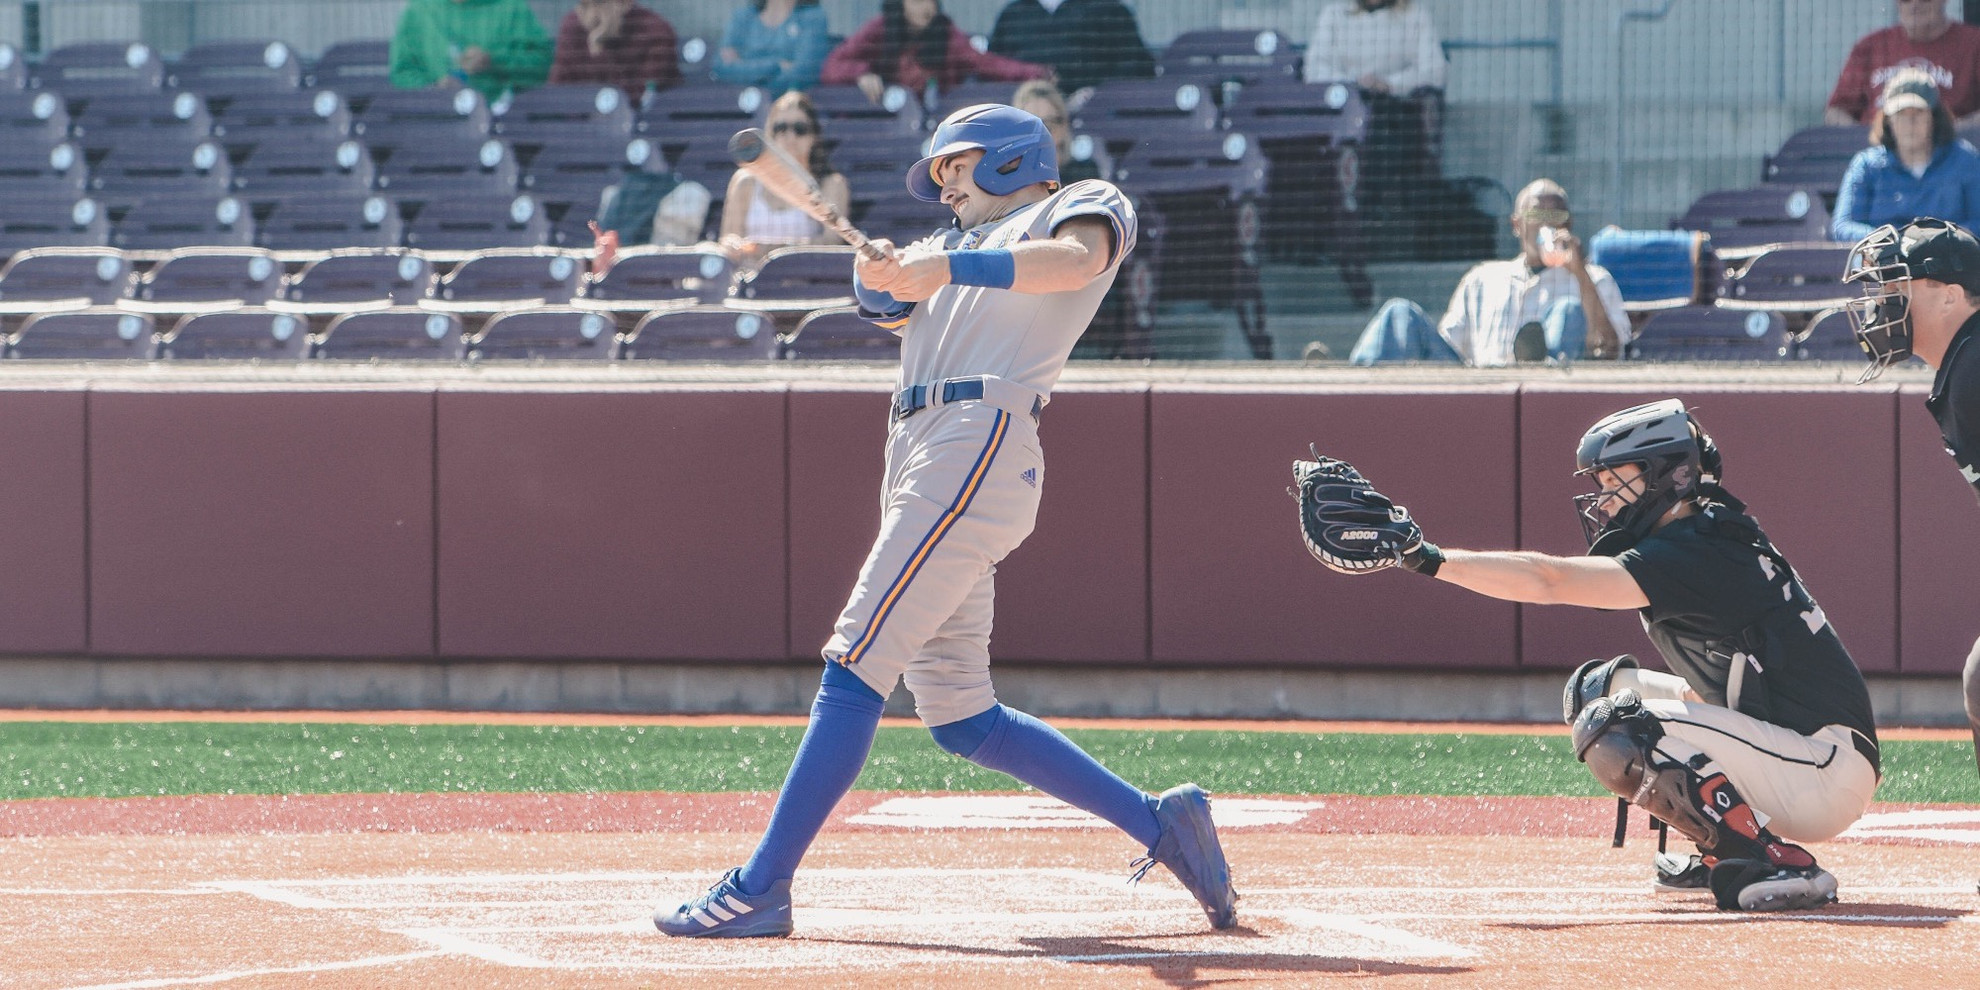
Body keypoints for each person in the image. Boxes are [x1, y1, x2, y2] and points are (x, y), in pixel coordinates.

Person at [655, 104, 1237, 938]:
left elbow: (1072, 264)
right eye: (939, 176)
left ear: (1008, 157)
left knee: (854, 662)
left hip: (980, 435)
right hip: (922, 448)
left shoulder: (1076, 204)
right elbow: (883, 305)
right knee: (962, 715)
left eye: (956, 167)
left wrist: (948, 265)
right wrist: (885, 272)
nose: (945, 186)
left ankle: (761, 885)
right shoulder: (944, 250)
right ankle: (1162, 823)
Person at [1291, 399, 1880, 912]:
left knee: (1615, 724)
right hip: (1801, 750)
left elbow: (1550, 581)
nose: (1603, 496)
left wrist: (1428, 557)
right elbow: (1721, 685)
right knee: (1598, 690)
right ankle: (1728, 841)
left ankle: (1774, 858)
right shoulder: (1706, 533)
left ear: (1667, 476)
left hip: (1822, 767)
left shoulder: (1699, 548)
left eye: (1614, 479)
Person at [1840, 216, 1980, 788]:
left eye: (1899, 287)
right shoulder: (1964, 364)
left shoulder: (1974, 366)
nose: (1883, 302)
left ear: (1949, 296)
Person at [1348, 179, 1628, 365]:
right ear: (1516, 225)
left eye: (1555, 217)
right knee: (1399, 313)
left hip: (1549, 398)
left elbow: (1612, 352)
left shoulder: (1594, 278)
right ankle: (1349, 393)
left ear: (1569, 223)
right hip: (1478, 392)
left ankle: (1539, 370)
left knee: (1568, 310)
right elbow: (1450, 348)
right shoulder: (1482, 278)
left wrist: (1580, 274)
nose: (1546, 223)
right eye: (1535, 215)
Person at [1302, 0, 1447, 245]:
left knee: (1385, 133)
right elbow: (1314, 68)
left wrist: (1390, 84)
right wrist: (1352, 83)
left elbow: (1435, 69)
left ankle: (1377, 216)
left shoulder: (1415, 14)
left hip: (1394, 109)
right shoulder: (1334, 13)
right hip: (1342, 110)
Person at [1833, 70, 1980, 242]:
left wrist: (1938, 240)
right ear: (1888, 120)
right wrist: (1892, 240)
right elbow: (1843, 226)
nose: (1910, 123)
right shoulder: (1867, 165)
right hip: (1884, 264)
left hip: (1949, 265)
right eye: (1901, 114)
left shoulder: (1965, 161)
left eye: (1918, 113)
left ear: (1934, 118)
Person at [717, 91, 852, 267]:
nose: (790, 137)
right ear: (769, 136)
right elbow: (728, 238)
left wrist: (766, 250)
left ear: (813, 137)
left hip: (805, 280)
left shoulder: (832, 184)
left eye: (799, 129)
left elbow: (832, 243)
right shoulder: (745, 181)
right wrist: (733, 246)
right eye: (780, 128)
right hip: (746, 282)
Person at [822, 0, 1049, 104]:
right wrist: (861, 73)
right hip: (887, 124)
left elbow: (984, 62)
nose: (927, 7)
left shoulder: (945, 32)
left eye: (932, 1)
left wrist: (1034, 72)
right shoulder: (880, 28)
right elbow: (832, 66)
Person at [1827, 0, 1980, 127]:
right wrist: (1867, 139)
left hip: (1949, 154)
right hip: (1881, 152)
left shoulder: (1974, 43)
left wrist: (1953, 133)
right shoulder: (1870, 46)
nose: (1915, 4)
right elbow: (1836, 111)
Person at [388, 0, 552, 101]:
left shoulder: (510, 6)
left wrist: (494, 61)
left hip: (504, 122)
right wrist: (435, 88)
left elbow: (542, 67)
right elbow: (401, 74)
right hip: (435, 123)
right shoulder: (418, 10)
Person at [987, 0, 1154, 95]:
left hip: (1092, 119)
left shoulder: (1108, 8)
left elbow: (1138, 65)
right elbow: (991, 71)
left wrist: (1097, 94)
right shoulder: (1012, 14)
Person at [548, 0, 681, 98]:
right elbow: (558, 92)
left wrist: (600, 50)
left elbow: (641, 98)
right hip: (582, 127)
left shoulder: (656, 32)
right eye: (584, 5)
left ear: (625, 4)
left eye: (600, 3)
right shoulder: (572, 27)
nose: (592, 15)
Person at [709, 0, 832, 94]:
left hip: (788, 109)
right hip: (736, 109)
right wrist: (776, 65)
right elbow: (721, 68)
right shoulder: (742, 17)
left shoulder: (813, 17)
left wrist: (742, 67)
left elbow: (803, 73)